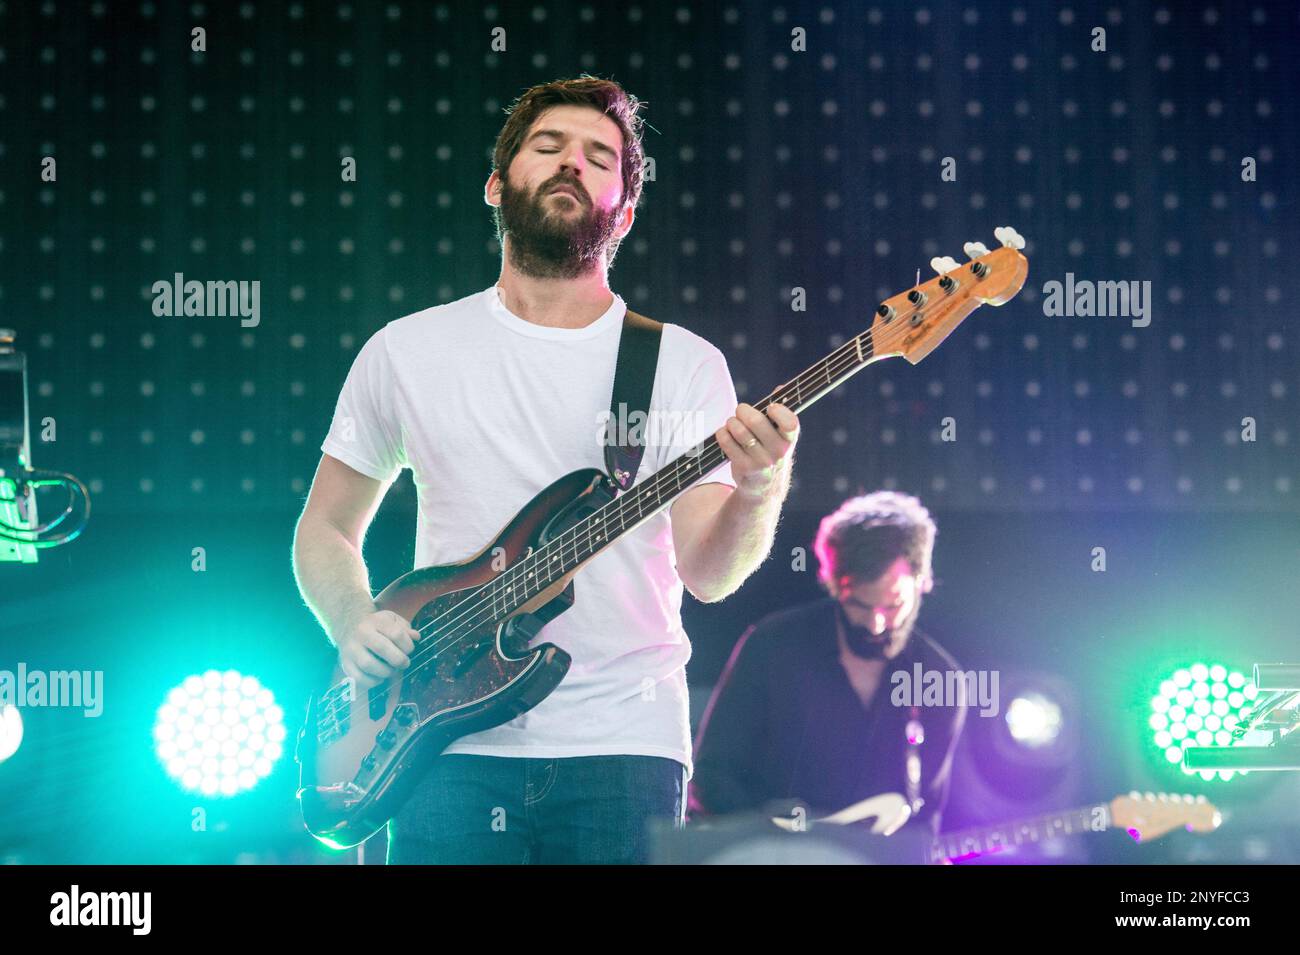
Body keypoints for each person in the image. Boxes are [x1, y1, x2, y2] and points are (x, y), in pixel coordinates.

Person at [292, 76, 800, 864]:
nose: (573, 164)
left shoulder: (681, 363)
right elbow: (324, 528)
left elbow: (710, 572)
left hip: (623, 743)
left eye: (601, 158)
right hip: (437, 740)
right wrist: (355, 621)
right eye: (548, 146)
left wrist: (761, 487)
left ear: (624, 210)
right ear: (497, 184)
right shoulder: (406, 349)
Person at [690, 491, 966, 838]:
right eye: (860, 605)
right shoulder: (773, 646)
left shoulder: (939, 680)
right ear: (834, 585)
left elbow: (925, 817)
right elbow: (713, 776)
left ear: (922, 582)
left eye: (894, 606)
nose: (876, 624)